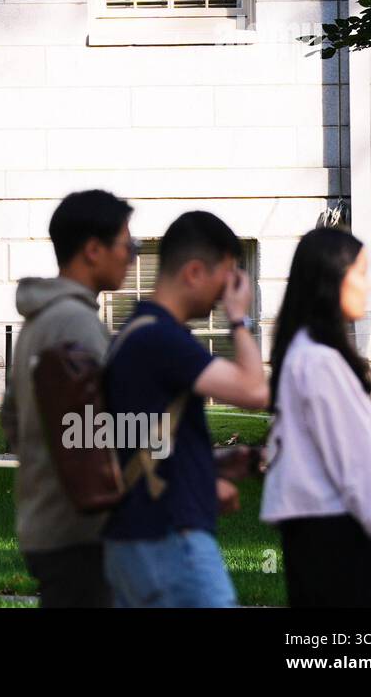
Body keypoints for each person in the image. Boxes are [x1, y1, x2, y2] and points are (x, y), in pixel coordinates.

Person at [101, 211, 268, 608]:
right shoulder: (162, 337)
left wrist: (211, 466)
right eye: (225, 279)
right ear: (194, 271)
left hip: (134, 538)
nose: (225, 292)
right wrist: (239, 319)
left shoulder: (136, 333)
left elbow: (147, 439)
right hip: (171, 539)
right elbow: (254, 390)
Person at [261, 227, 371, 607]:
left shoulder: (301, 353)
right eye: (361, 273)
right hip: (335, 535)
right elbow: (359, 464)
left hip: (311, 533)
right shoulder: (320, 362)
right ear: (332, 278)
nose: (366, 286)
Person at [1, 189, 135, 608]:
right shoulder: (75, 323)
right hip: (79, 529)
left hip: (48, 523)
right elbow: (96, 430)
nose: (131, 256)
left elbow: (12, 420)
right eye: (126, 244)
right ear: (93, 250)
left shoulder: (41, 320)